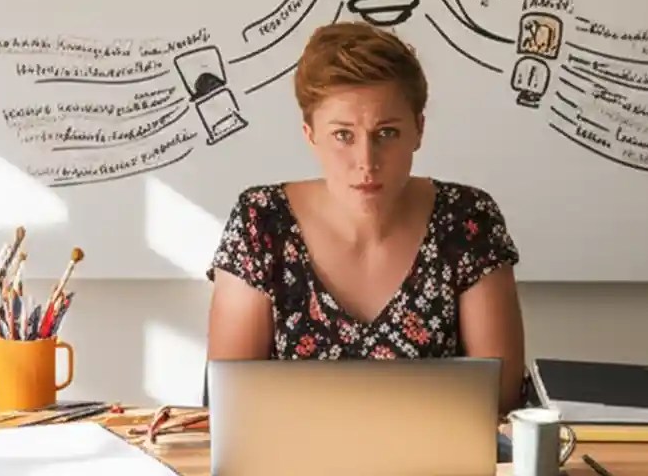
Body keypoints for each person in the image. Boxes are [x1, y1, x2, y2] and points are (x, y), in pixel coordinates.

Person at [205, 22, 528, 413]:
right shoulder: (261, 223)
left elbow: (501, 402)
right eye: (343, 135)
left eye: (387, 133)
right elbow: (231, 408)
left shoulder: (468, 221)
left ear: (419, 130)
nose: (367, 162)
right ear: (310, 134)